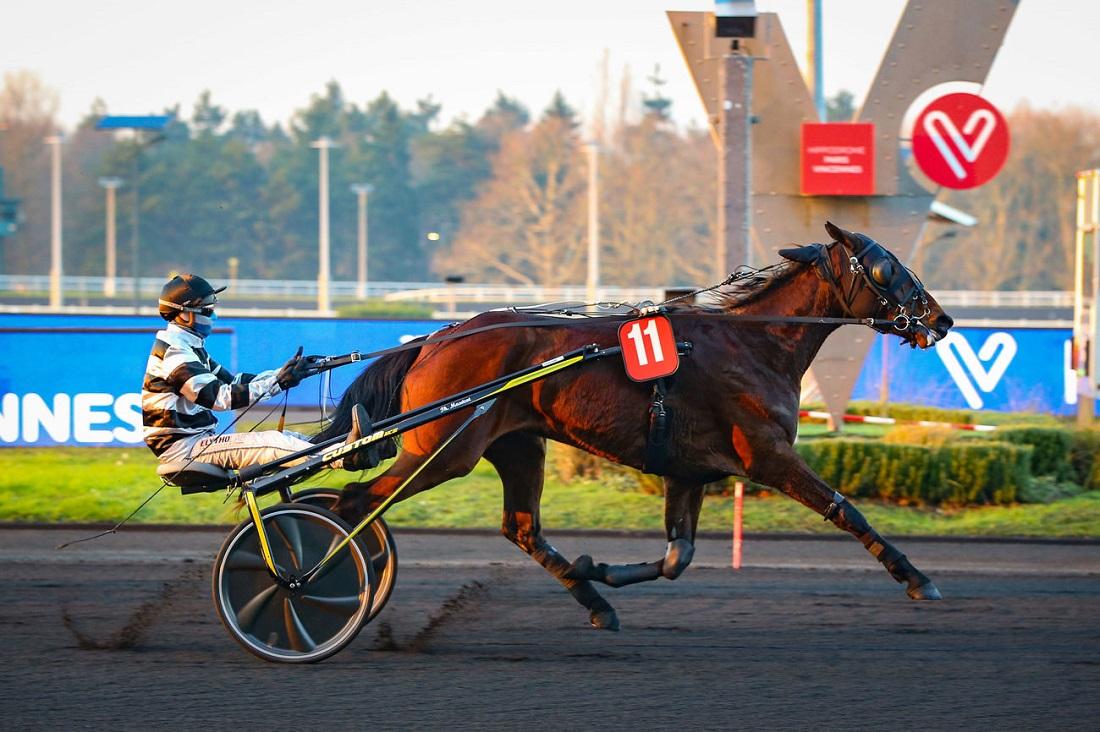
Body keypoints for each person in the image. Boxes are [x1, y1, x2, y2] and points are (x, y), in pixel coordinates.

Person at [142, 273, 367, 473]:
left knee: (290, 439)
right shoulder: (175, 353)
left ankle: (345, 447)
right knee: (272, 442)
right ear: (184, 315)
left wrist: (287, 373)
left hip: (196, 441)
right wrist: (278, 382)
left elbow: (234, 381)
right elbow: (219, 397)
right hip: (184, 448)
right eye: (208, 311)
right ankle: (346, 456)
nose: (213, 317)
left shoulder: (188, 346)